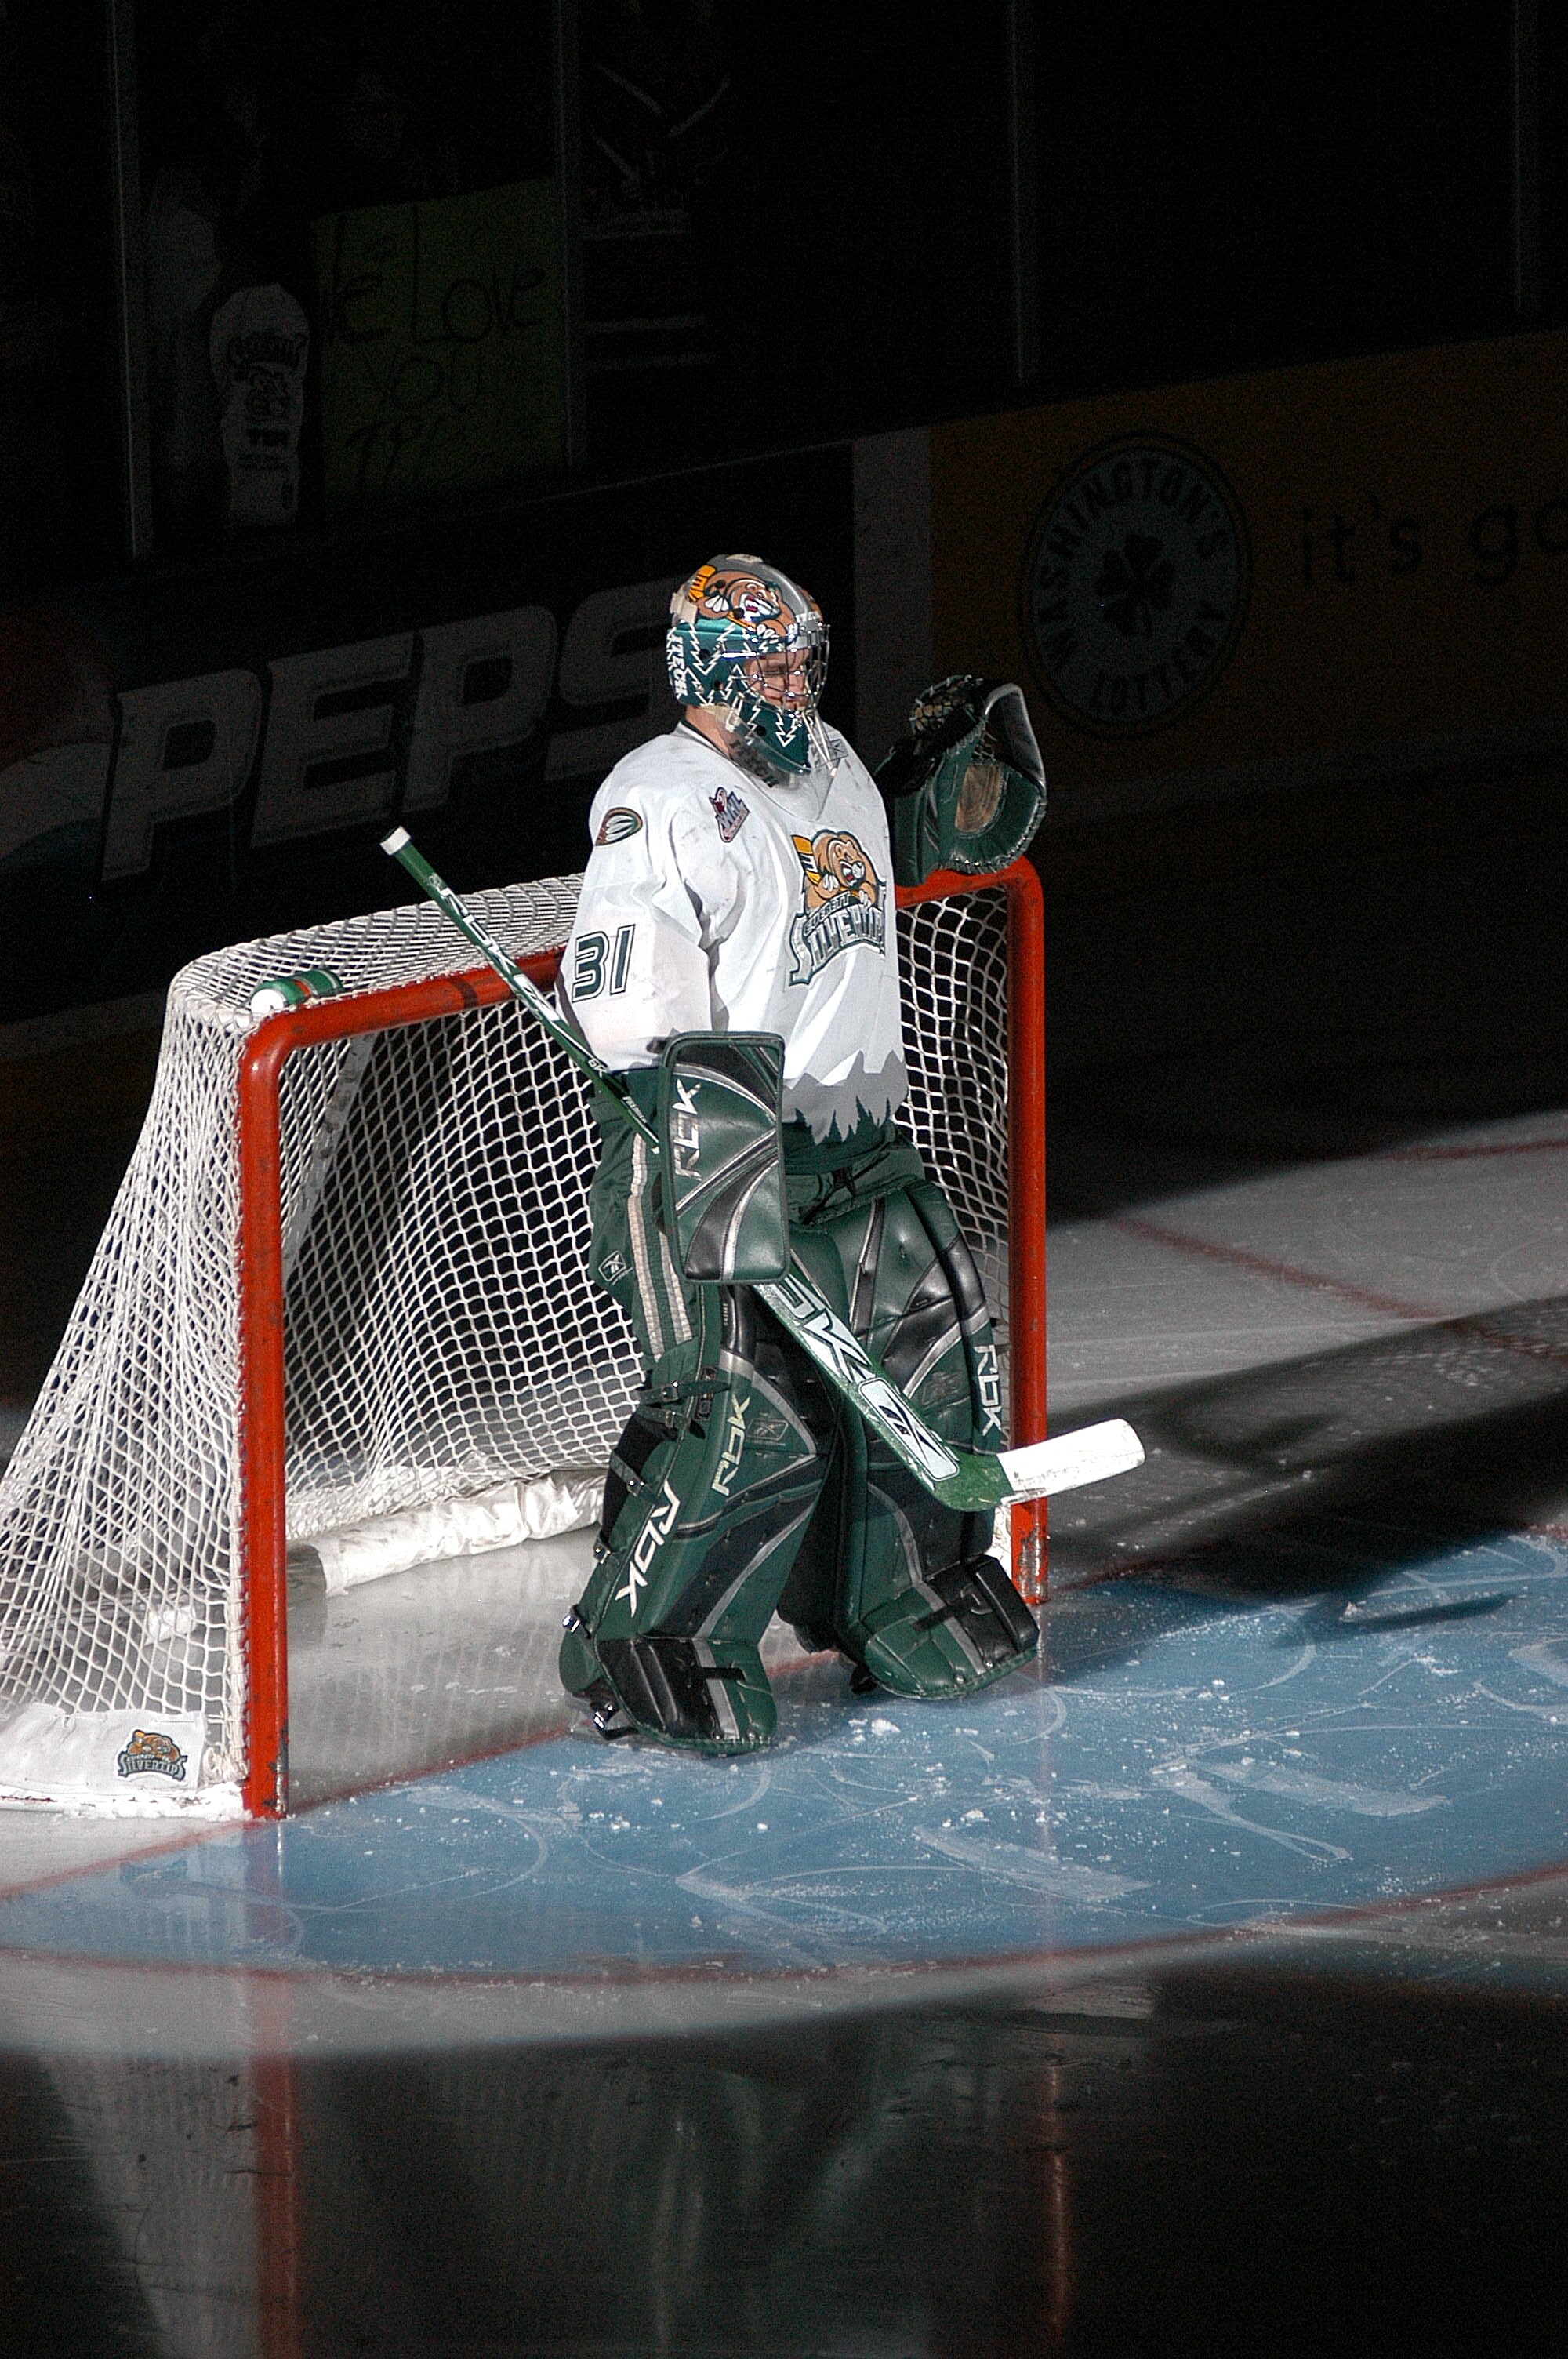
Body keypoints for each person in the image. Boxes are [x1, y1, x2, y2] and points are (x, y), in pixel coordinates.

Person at [557, 556, 1047, 1753]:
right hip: (709, 1148)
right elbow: (620, 1004)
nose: (795, 682)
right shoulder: (659, 795)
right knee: (750, 1416)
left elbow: (884, 887)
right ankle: (643, 1648)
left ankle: (897, 1598)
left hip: (855, 1139)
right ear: (707, 672)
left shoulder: (832, 768)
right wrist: (712, 1147)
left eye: (803, 659)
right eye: (769, 664)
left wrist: (944, 801)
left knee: (932, 1367)